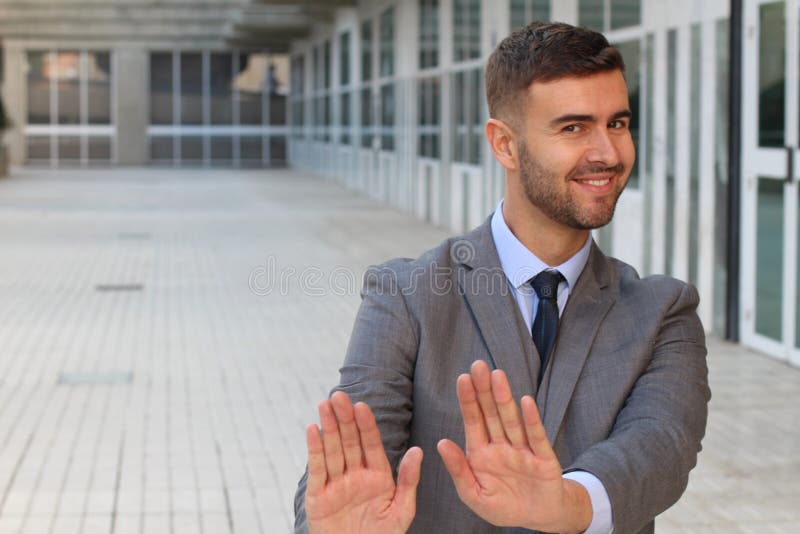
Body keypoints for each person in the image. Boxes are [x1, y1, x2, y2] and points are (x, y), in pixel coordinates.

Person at [294, 21, 710, 534]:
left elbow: (662, 445)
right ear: (505, 145)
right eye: (574, 128)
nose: (608, 152)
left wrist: (568, 503)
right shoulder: (406, 295)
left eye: (618, 123)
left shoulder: (663, 311)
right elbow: (352, 462)